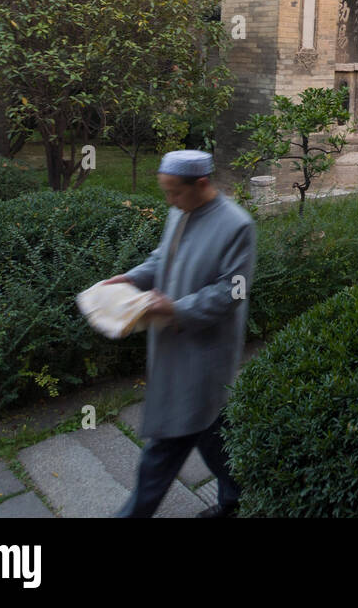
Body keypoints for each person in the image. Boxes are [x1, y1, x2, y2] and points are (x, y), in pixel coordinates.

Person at [101, 149, 256, 518]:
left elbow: (232, 291)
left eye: (174, 192)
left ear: (200, 184)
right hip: (171, 344)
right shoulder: (180, 211)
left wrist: (176, 309)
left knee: (167, 442)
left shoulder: (237, 225)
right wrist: (132, 277)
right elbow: (162, 257)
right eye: (165, 192)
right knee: (212, 428)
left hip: (204, 352)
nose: (168, 200)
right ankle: (237, 501)